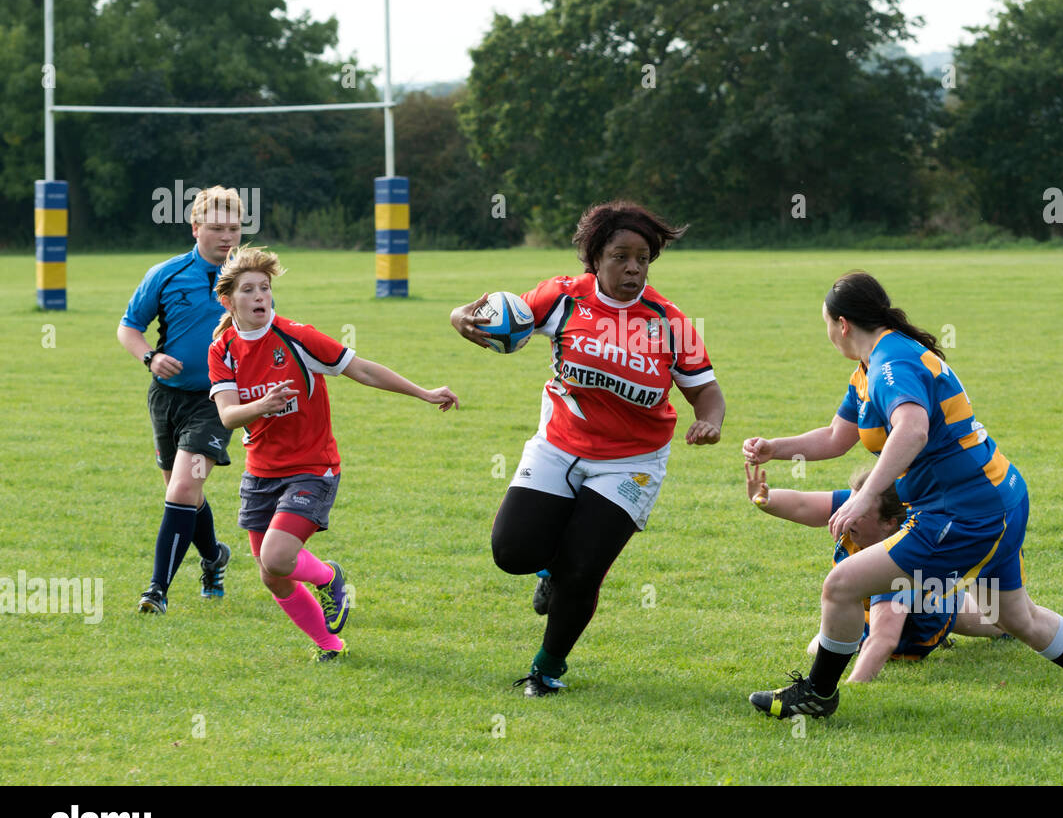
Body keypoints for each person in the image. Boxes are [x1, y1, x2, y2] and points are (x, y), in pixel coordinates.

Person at [744, 270, 1063, 718]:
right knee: (1016, 617)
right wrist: (776, 449)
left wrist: (865, 495)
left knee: (841, 584)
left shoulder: (893, 363)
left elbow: (912, 430)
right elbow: (838, 436)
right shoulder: (874, 365)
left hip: (964, 513)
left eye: (826, 326)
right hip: (999, 495)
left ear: (843, 325)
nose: (828, 335)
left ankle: (817, 696)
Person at [450, 200, 725, 696]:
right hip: (558, 445)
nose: (633, 268)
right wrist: (459, 318)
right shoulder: (560, 298)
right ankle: (547, 570)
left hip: (632, 461)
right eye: (621, 255)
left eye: (643, 258)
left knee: (584, 570)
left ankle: (548, 668)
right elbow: (486, 314)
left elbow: (706, 391)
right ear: (595, 256)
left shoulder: (671, 322)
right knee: (512, 551)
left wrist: (709, 420)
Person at [208, 246, 459, 661]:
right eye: (248, 290)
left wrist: (423, 393)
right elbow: (229, 416)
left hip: (312, 468)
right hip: (260, 472)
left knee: (277, 557)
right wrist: (261, 406)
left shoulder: (297, 336)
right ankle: (330, 644)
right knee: (272, 576)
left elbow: (361, 369)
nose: (259, 298)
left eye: (265, 289)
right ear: (227, 300)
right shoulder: (223, 350)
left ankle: (327, 577)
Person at [745, 463, 1008, 683]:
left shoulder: (896, 565)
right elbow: (803, 504)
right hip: (919, 597)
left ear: (889, 524)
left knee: (1002, 622)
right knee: (818, 646)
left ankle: (1010, 624)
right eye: (850, 502)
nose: (847, 513)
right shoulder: (857, 506)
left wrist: (853, 687)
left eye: (859, 511)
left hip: (926, 618)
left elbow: (883, 640)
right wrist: (765, 499)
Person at [118, 186, 243, 614]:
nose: (227, 237)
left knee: (185, 485)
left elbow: (260, 338)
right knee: (181, 491)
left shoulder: (248, 280)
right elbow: (129, 327)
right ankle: (214, 557)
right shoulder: (166, 274)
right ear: (195, 228)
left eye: (234, 228)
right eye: (216, 228)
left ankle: (156, 590)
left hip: (216, 401)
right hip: (166, 399)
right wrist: (150, 358)